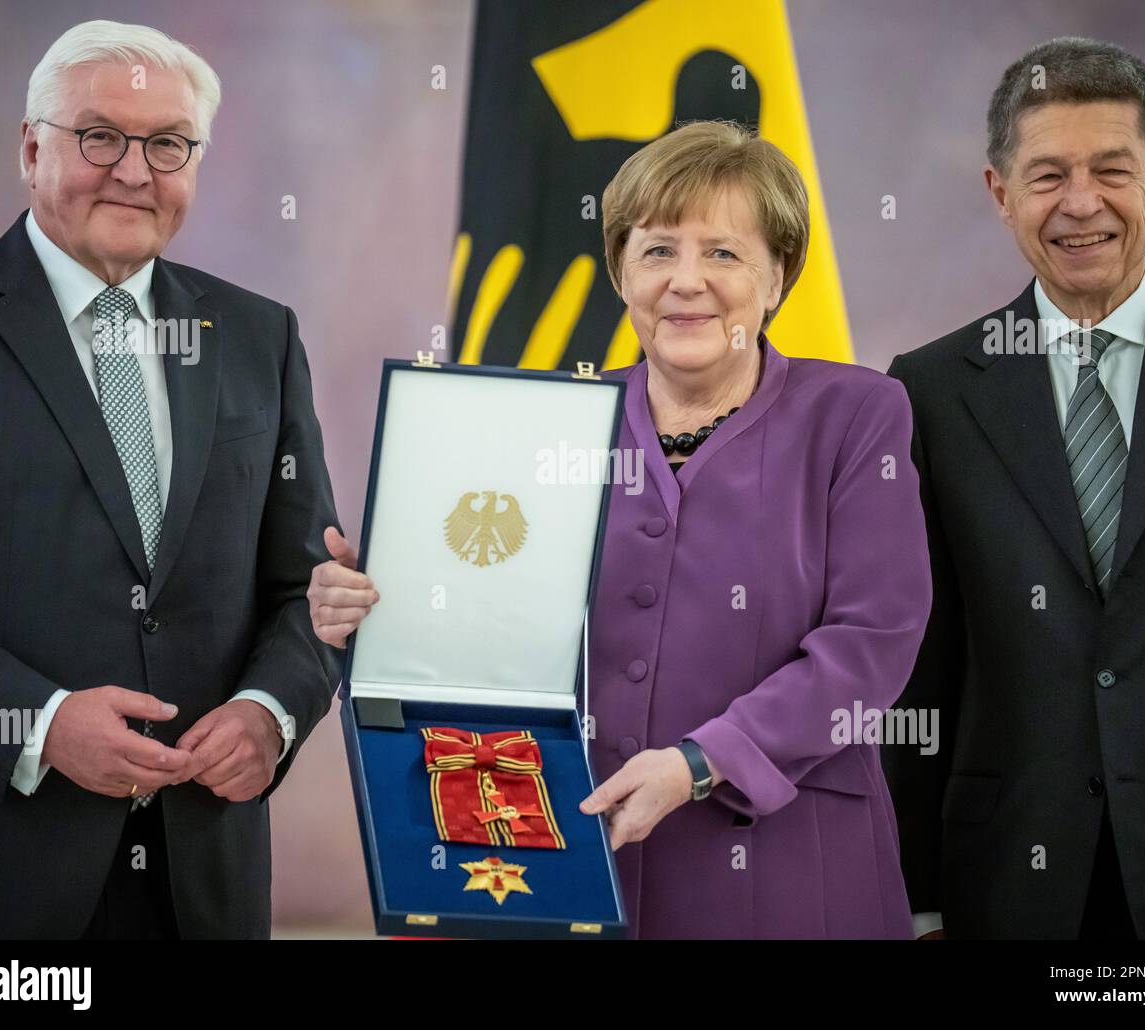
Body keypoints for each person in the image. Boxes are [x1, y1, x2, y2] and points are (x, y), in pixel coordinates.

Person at [311, 120, 933, 938]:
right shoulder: (545, 424)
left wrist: (701, 764)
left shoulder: (856, 413)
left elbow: (873, 641)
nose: (687, 281)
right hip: (571, 854)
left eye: (723, 253)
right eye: (657, 250)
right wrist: (370, 610)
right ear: (620, 271)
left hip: (789, 864)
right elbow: (482, 625)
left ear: (777, 277)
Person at [0, 20, 342, 939]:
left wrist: (270, 712)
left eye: (166, 143)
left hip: (204, 880)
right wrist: (33, 726)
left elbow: (310, 589)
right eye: (99, 135)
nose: (133, 170)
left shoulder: (258, 337)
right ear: (31, 147)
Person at [884, 37, 1145, 939]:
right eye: (1047, 176)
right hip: (1005, 876)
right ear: (1002, 195)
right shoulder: (927, 390)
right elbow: (917, 669)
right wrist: (916, 897)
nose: (1081, 204)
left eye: (1111, 170)